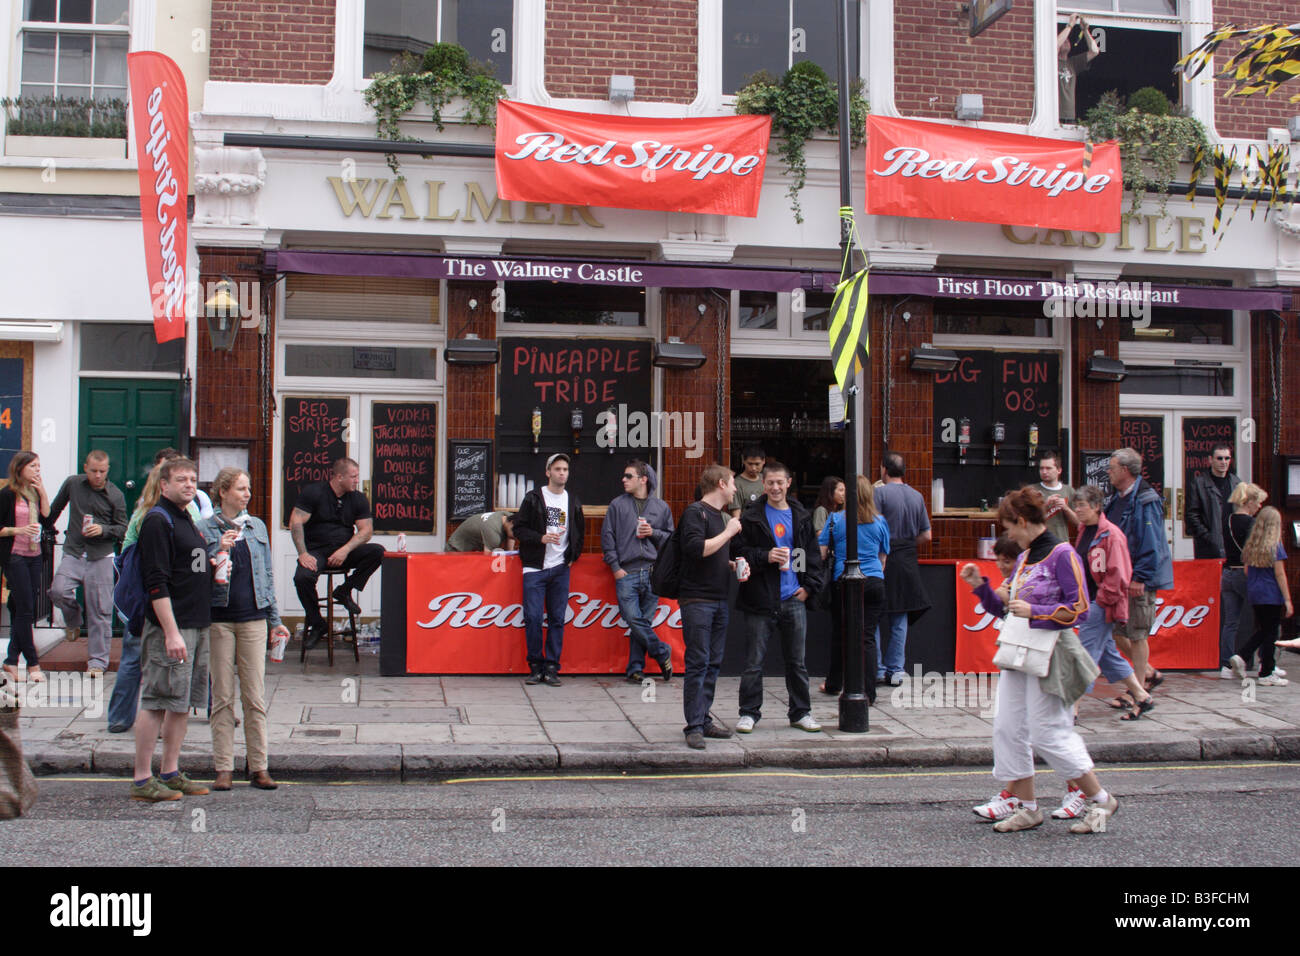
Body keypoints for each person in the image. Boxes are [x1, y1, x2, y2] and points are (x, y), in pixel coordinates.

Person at [964, 488, 1117, 834]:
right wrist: (979, 586)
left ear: (1021, 521)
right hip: (1019, 651)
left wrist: (1037, 611)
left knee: (1048, 732)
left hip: (1051, 654)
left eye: (1009, 528)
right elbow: (1004, 610)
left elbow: (1080, 607)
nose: (1008, 536)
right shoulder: (1024, 559)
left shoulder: (1064, 555)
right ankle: (1029, 808)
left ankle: (1102, 799)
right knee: (1007, 727)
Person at [130, 456, 219, 802]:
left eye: (193, 479)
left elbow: (188, 565)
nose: (189, 484)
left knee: (181, 704)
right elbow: (157, 580)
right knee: (156, 701)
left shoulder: (187, 518)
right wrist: (170, 632)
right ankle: (142, 779)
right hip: (172, 626)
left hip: (197, 624)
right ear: (163, 485)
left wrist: (209, 565)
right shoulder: (157, 519)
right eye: (181, 479)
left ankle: (169, 771)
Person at [201, 467, 289, 791]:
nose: (247, 494)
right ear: (223, 492)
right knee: (223, 696)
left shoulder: (257, 527)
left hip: (253, 618)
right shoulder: (206, 529)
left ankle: (259, 767)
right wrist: (217, 550)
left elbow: (266, 574)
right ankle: (223, 768)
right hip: (219, 619)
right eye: (240, 489)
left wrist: (275, 620)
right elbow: (195, 573)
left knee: (254, 696)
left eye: (248, 488)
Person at [734, 460, 824, 734]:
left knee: (797, 662)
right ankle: (749, 713)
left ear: (788, 483)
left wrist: (808, 588)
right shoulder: (751, 517)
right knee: (753, 662)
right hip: (761, 598)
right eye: (770, 482)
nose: (775, 487)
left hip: (792, 598)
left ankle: (801, 712)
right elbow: (737, 553)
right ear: (763, 485)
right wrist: (765, 556)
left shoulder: (802, 517)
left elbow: (810, 557)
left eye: (779, 482)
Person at [1070, 485, 1155, 729]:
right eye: (1076, 505)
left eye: (1082, 505)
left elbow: (1119, 576)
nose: (1078, 510)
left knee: (1084, 655)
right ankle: (1142, 696)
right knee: (1107, 654)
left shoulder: (1112, 535)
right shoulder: (1085, 529)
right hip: (1090, 601)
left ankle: (1072, 708)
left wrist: (1102, 601)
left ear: (1097, 506)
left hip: (1099, 604)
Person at [290, 458, 385, 651]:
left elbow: (366, 531)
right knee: (302, 577)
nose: (357, 480)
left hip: (344, 550)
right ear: (339, 477)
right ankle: (318, 623)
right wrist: (303, 554)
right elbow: (296, 522)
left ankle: (344, 591)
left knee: (378, 552)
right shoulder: (314, 493)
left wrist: (345, 550)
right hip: (317, 550)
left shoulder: (357, 498)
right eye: (353, 476)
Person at [679, 464, 743, 749]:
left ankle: (703, 719)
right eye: (732, 483)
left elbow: (713, 554)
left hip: (719, 599)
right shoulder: (696, 513)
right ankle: (693, 725)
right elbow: (697, 549)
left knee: (713, 663)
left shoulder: (722, 517)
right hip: (697, 600)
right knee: (698, 662)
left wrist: (733, 564)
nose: (735, 488)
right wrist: (729, 532)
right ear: (719, 484)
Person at [48, 450, 127, 678]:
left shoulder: (116, 495)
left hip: (101, 555)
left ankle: (97, 662)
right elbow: (55, 509)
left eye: (102, 471)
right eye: (93, 471)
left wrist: (104, 530)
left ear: (107, 471)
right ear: (85, 468)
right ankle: (73, 619)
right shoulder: (73, 484)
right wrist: (45, 527)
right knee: (58, 590)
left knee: (101, 609)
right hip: (74, 550)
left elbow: (122, 527)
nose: (98, 475)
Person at [1104, 447, 1173, 692]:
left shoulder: (1146, 499)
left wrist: (1140, 577)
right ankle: (1149, 673)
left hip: (1138, 579)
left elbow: (1151, 540)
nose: (1108, 473)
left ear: (1125, 470)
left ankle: (1138, 692)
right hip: (1119, 577)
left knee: (1137, 633)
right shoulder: (1117, 498)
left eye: (1111, 468)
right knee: (1115, 631)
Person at [513, 453, 584, 686]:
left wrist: (573, 556)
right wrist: (541, 538)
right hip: (535, 567)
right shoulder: (534, 498)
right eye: (557, 469)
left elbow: (579, 531)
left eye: (565, 469)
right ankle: (535, 665)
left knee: (556, 618)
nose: (562, 473)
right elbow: (518, 529)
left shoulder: (572, 500)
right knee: (533, 617)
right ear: (548, 472)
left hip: (560, 568)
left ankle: (552, 667)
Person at [601, 459, 674, 683]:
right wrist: (616, 568)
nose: (623, 479)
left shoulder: (661, 507)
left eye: (628, 476)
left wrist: (653, 532)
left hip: (653, 572)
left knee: (642, 623)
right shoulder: (617, 505)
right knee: (634, 618)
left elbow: (671, 540)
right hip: (627, 571)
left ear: (643, 480)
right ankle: (662, 652)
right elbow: (607, 537)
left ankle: (635, 668)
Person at [817, 474, 889, 699]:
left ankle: (834, 683)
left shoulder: (836, 520)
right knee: (867, 637)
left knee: (842, 634)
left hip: (845, 581)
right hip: (875, 581)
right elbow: (883, 558)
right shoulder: (880, 522)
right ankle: (868, 691)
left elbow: (821, 553)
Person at [107, 464, 165, 732]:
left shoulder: (142, 512)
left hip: (140, 597)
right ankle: (155, 720)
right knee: (145, 658)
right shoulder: (153, 516)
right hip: (151, 596)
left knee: (133, 658)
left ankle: (120, 717)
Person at [874, 451, 932, 685]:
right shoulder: (917, 496)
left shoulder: (879, 493)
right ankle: (896, 669)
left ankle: (877, 668)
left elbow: (872, 526)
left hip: (882, 559)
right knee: (900, 617)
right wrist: (908, 544)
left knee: (875, 614)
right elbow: (927, 535)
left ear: (884, 470)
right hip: (908, 559)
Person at [1, 452, 51, 684]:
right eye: (33, 466)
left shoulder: (34, 493)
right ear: (20, 468)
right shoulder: (8, 494)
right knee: (26, 609)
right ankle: (32, 663)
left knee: (20, 607)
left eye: (39, 466)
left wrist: (42, 491)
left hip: (34, 554)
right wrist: (19, 531)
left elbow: (47, 517)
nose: (37, 470)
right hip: (15, 555)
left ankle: (11, 660)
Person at [1230, 506, 1292, 686]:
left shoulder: (1251, 546)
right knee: (1270, 632)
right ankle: (1266, 672)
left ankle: (1243, 657)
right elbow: (1280, 574)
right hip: (1272, 594)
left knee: (1264, 629)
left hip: (1256, 593)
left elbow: (1248, 570)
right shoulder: (1275, 547)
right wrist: (1287, 599)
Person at [1221, 483, 1267, 679]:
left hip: (1227, 573)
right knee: (1264, 618)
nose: (1259, 506)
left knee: (1230, 621)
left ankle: (1226, 665)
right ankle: (1265, 662)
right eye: (1258, 502)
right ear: (1248, 502)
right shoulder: (1251, 523)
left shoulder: (1228, 520)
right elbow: (1252, 552)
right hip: (1245, 573)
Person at [1057, 12, 1100, 123]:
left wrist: (1085, 30)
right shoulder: (1052, 62)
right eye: (1064, 39)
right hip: (1054, 115)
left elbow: (1094, 51)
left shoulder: (1073, 63)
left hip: (1070, 116)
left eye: (1068, 39)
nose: (1066, 41)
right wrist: (1070, 25)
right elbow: (1055, 45)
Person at [1029, 450, 1075, 544]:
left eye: (1048, 468)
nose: (1044, 472)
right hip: (1039, 544)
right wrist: (1045, 505)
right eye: (1041, 468)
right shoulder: (1032, 490)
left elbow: (1079, 522)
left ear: (1059, 470)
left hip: (1061, 544)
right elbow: (1026, 519)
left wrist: (1066, 508)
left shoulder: (1069, 491)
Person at [446, 511, 514, 553]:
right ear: (511, 522)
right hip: (455, 550)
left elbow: (509, 551)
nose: (518, 534)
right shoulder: (493, 532)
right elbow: (487, 560)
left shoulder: (507, 516)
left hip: (470, 553)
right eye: (516, 530)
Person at [730, 446, 766, 518]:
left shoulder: (767, 479)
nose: (753, 468)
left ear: (763, 461)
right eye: (750, 464)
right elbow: (736, 515)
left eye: (757, 464)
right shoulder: (736, 484)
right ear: (743, 461)